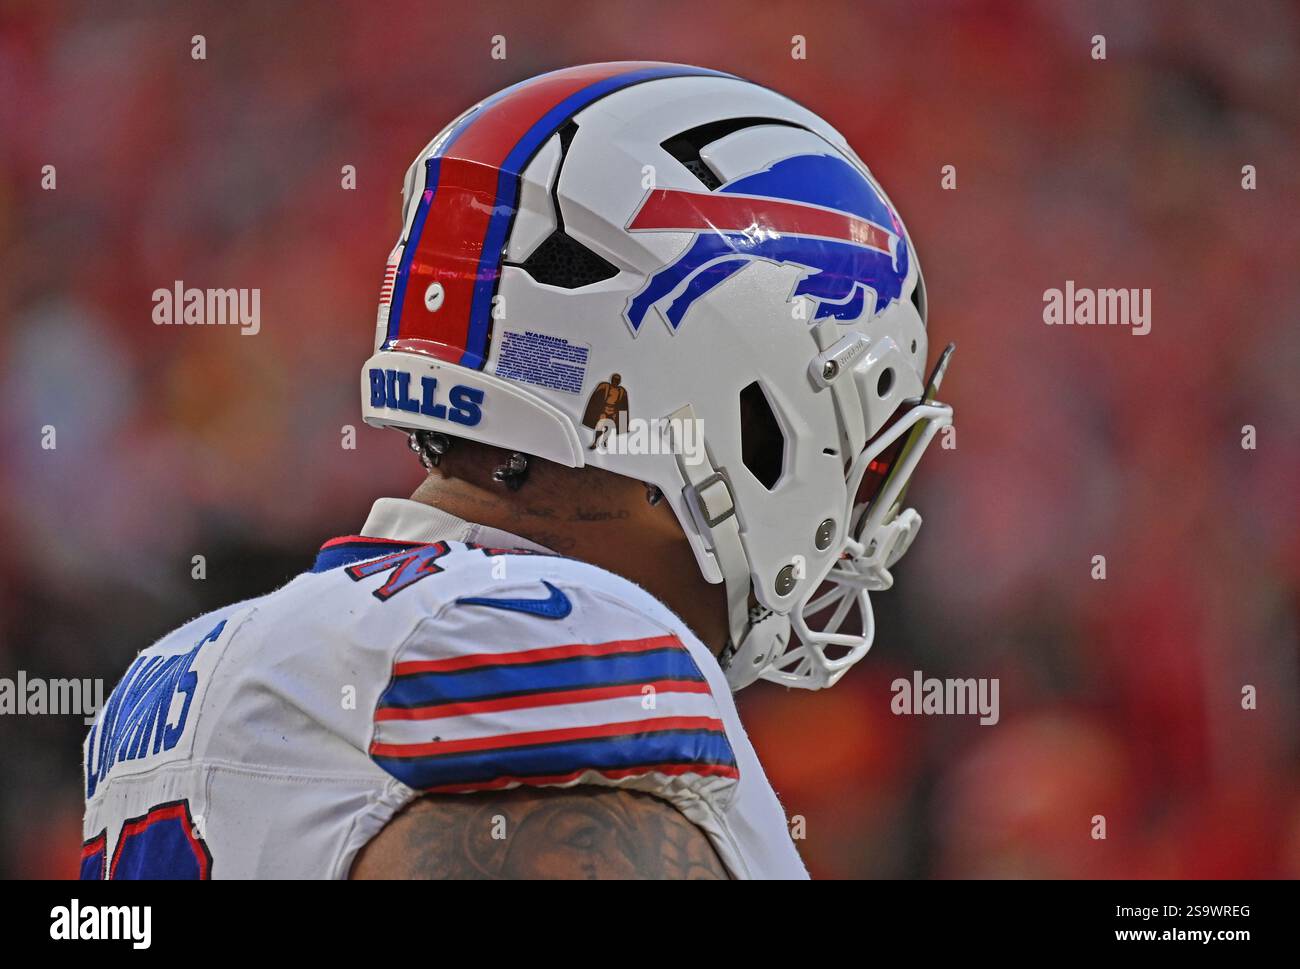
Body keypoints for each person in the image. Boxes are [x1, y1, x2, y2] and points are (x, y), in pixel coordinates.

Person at [81, 61, 953, 880]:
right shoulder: (566, 639)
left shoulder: (172, 674)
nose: (859, 499)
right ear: (752, 414)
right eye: (860, 447)